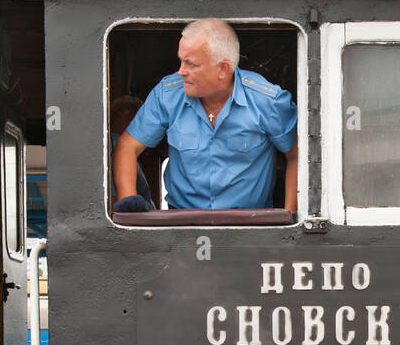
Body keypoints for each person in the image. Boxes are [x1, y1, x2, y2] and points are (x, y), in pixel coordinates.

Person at [112, 19, 298, 214]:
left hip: (252, 224)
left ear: (223, 69)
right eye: (181, 60)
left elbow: (296, 156)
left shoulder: (268, 101)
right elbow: (127, 147)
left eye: (191, 64)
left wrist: (290, 217)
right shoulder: (167, 95)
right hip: (180, 222)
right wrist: (129, 205)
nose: (181, 71)